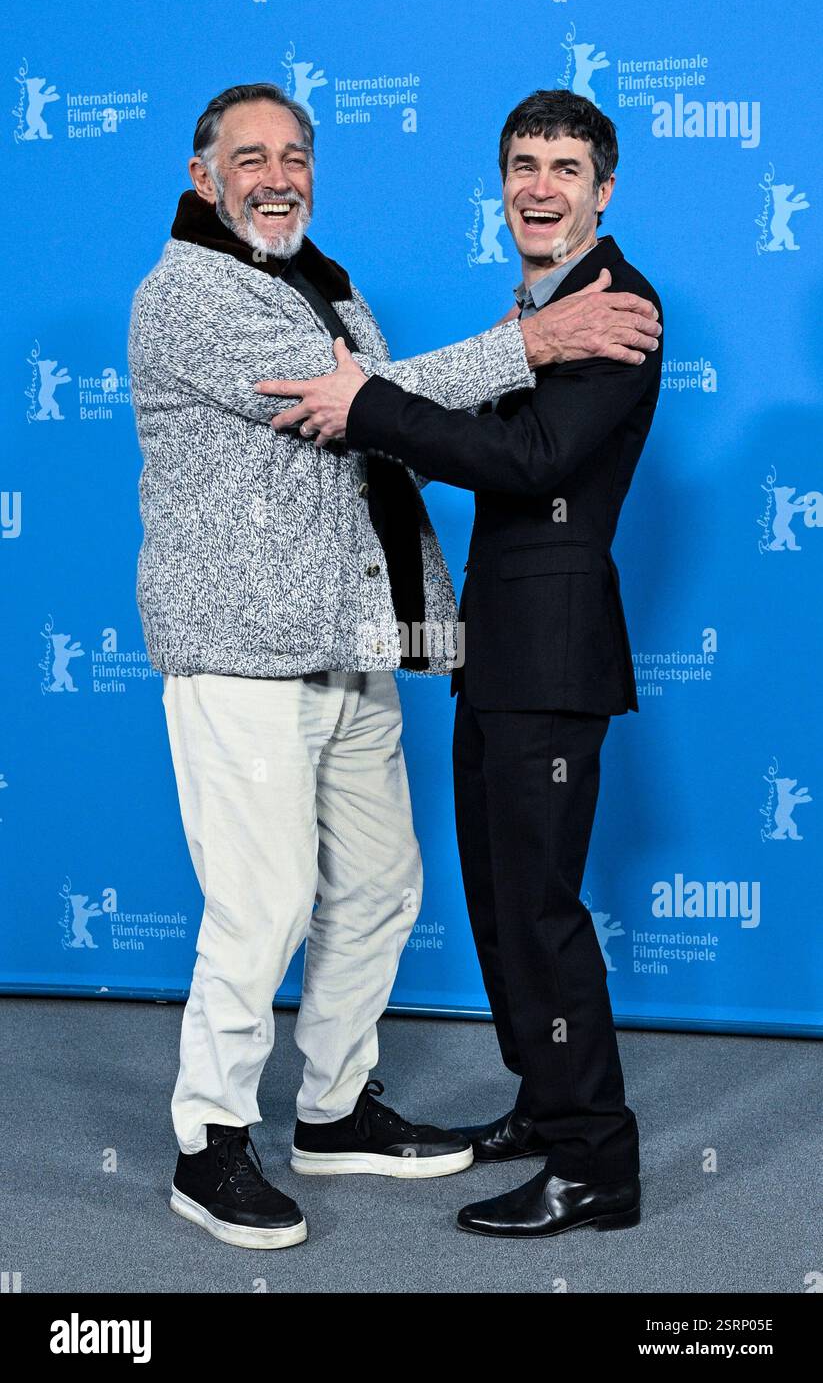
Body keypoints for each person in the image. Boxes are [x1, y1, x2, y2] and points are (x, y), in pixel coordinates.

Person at [128, 81, 661, 1250]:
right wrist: (526, 341)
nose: (277, 174)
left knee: (381, 887)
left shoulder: (327, 281)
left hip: (353, 649)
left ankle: (332, 1109)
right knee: (262, 904)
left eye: (295, 153)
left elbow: (390, 411)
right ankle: (209, 1142)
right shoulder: (194, 296)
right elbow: (358, 410)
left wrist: (411, 623)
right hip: (246, 649)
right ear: (200, 175)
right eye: (249, 156)